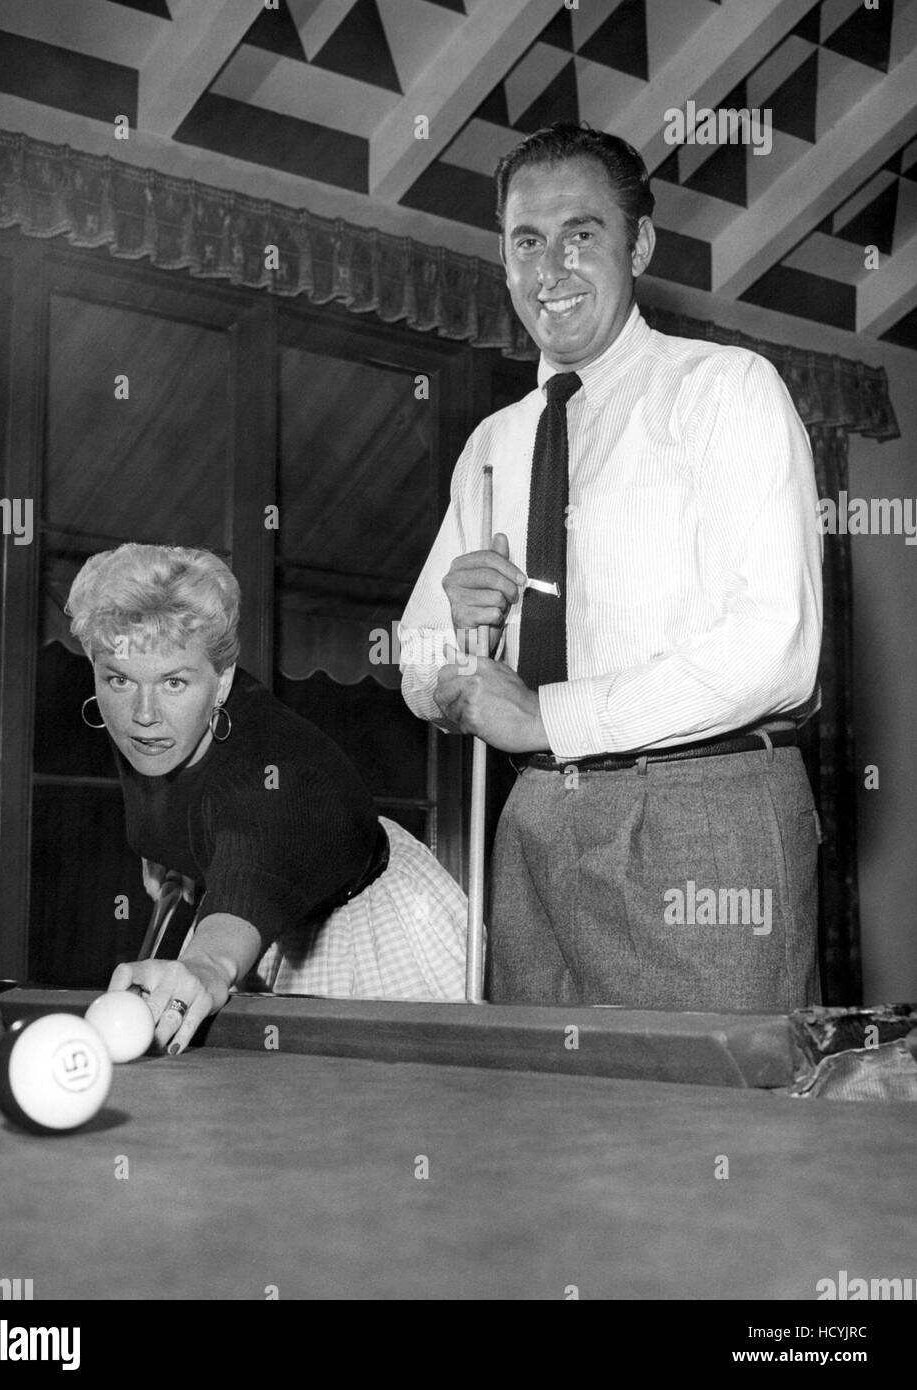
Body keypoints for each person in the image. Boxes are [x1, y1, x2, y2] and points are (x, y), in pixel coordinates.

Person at [399, 122, 823, 1012]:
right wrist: (455, 658)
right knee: (550, 1131)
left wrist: (541, 713)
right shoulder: (493, 443)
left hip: (704, 812)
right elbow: (417, 660)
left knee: (714, 1125)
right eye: (526, 242)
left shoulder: (726, 389)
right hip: (535, 820)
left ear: (641, 244)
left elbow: (773, 647)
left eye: (581, 235)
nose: (550, 269)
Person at [66, 543, 469, 1055]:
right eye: (119, 679)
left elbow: (249, 864)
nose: (142, 715)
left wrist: (203, 966)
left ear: (222, 682)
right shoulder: (157, 726)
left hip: (371, 930)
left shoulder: (276, 781)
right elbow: (186, 805)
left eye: (173, 682)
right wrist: (177, 852)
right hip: (275, 921)